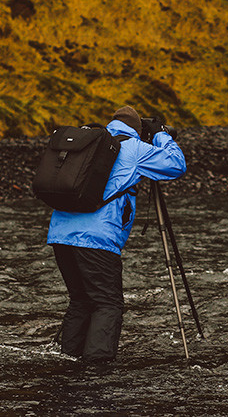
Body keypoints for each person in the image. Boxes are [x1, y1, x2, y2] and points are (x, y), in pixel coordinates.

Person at [47, 105, 187, 364]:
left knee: (80, 300)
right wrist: (160, 134)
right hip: (96, 239)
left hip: (60, 235)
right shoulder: (134, 149)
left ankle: (68, 361)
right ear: (137, 129)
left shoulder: (91, 143)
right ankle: (97, 367)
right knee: (107, 303)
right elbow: (176, 165)